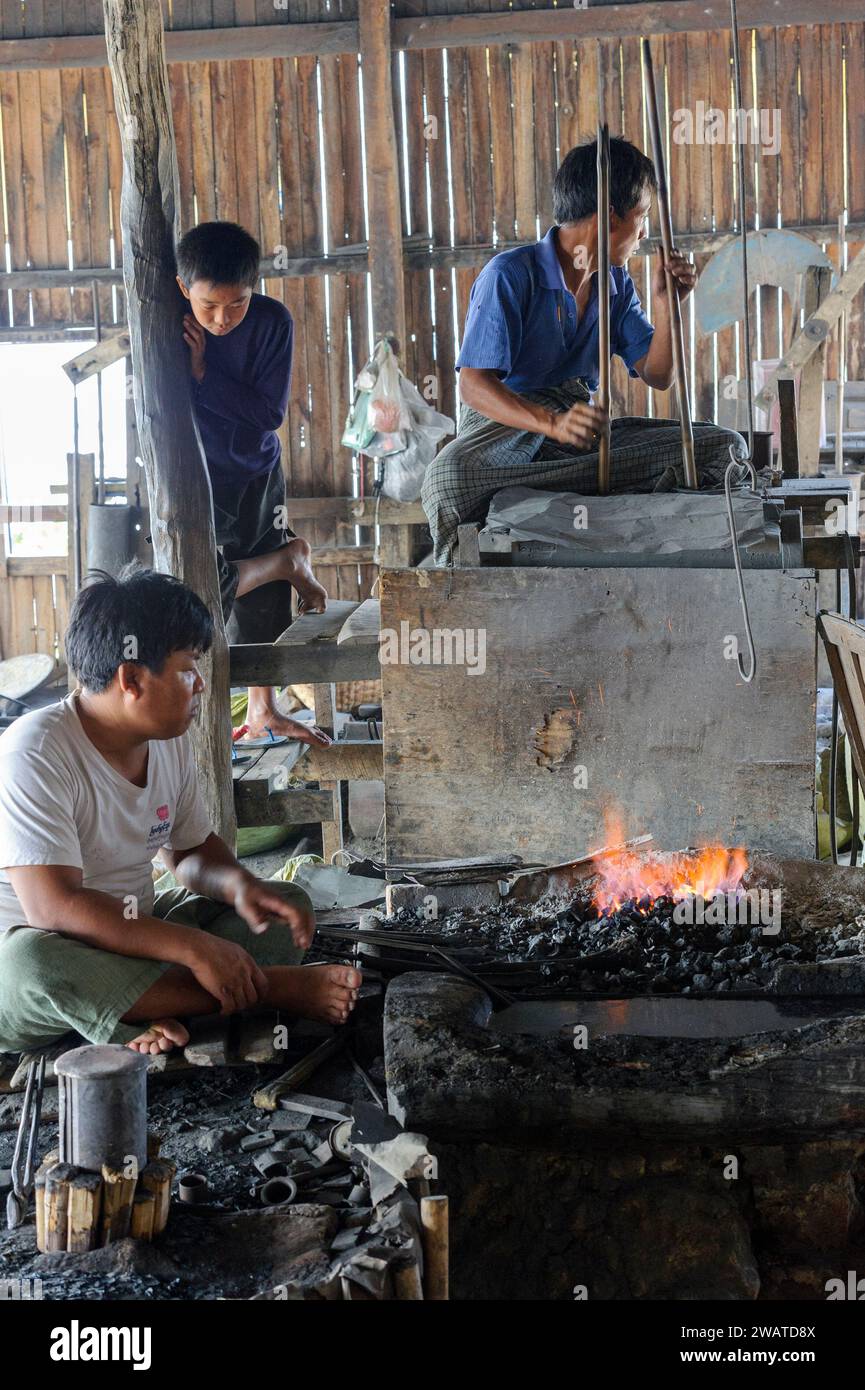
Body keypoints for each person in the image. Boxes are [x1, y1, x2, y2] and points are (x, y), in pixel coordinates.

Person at [0, 568, 361, 1058]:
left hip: (131, 938)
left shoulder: (166, 743)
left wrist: (240, 887)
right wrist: (193, 948)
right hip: (38, 962)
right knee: (33, 963)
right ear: (131, 678)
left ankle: (146, 1005)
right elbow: (54, 909)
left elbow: (189, 854)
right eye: (189, 667)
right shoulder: (35, 750)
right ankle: (271, 989)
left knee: (284, 905)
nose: (201, 686)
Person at [421, 136, 746, 564]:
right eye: (641, 217)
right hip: (504, 435)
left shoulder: (614, 284)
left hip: (579, 438)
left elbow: (658, 374)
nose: (643, 233)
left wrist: (670, 308)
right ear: (610, 216)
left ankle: (562, 485)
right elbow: (474, 386)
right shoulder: (510, 274)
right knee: (448, 478)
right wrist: (550, 423)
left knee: (723, 446)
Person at [176, 220, 329, 747]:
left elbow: (267, 413)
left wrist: (203, 376)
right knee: (201, 587)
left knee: (263, 609)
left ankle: (264, 709)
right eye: (209, 306)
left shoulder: (272, 322)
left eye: (236, 304)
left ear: (255, 287)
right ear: (182, 289)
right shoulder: (167, 323)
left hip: (258, 469)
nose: (221, 320)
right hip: (195, 479)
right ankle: (287, 561)